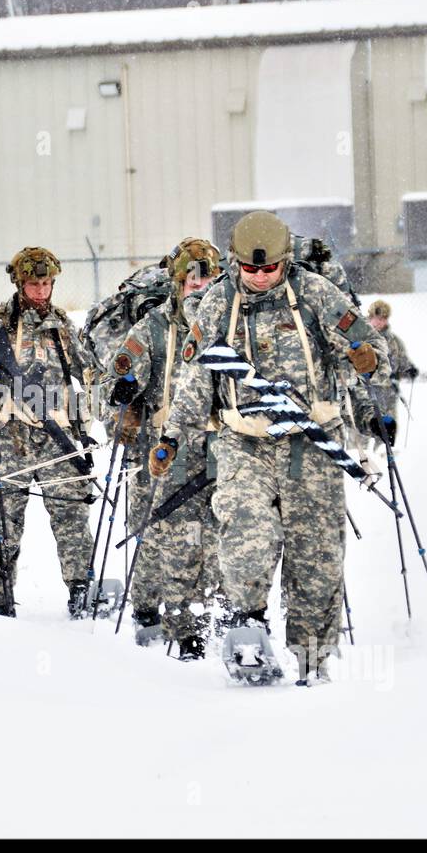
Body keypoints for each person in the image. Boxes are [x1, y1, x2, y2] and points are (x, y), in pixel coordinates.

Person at [152, 211, 390, 684]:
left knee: (317, 558)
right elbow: (196, 378)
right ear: (237, 264)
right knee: (246, 530)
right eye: (250, 269)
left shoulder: (317, 294)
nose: (260, 277)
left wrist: (367, 358)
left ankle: (313, 660)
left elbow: (371, 355)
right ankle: (248, 628)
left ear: (284, 261)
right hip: (245, 441)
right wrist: (172, 436)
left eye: (269, 269)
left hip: (312, 443)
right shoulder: (218, 303)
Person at [104, 237, 225, 657]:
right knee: (168, 540)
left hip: (222, 449)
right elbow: (116, 378)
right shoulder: (155, 327)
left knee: (220, 539)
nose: (199, 284)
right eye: (190, 277)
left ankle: (222, 621)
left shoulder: (230, 321)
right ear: (176, 281)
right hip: (164, 453)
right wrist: (124, 392)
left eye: (207, 277)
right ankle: (180, 629)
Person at [0, 247, 99, 618]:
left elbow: (89, 371)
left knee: (72, 515)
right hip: (12, 436)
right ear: (18, 283)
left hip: (58, 434)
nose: (40, 291)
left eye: (46, 283)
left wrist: (86, 423)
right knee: (4, 521)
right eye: (33, 284)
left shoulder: (62, 325)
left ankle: (81, 589)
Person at [366, 299, 418, 427]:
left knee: (387, 429)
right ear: (370, 317)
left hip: (388, 392)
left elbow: (402, 361)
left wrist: (409, 369)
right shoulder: (361, 337)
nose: (380, 322)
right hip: (365, 392)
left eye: (384, 319)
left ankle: (384, 447)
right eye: (377, 318)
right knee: (363, 428)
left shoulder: (394, 341)